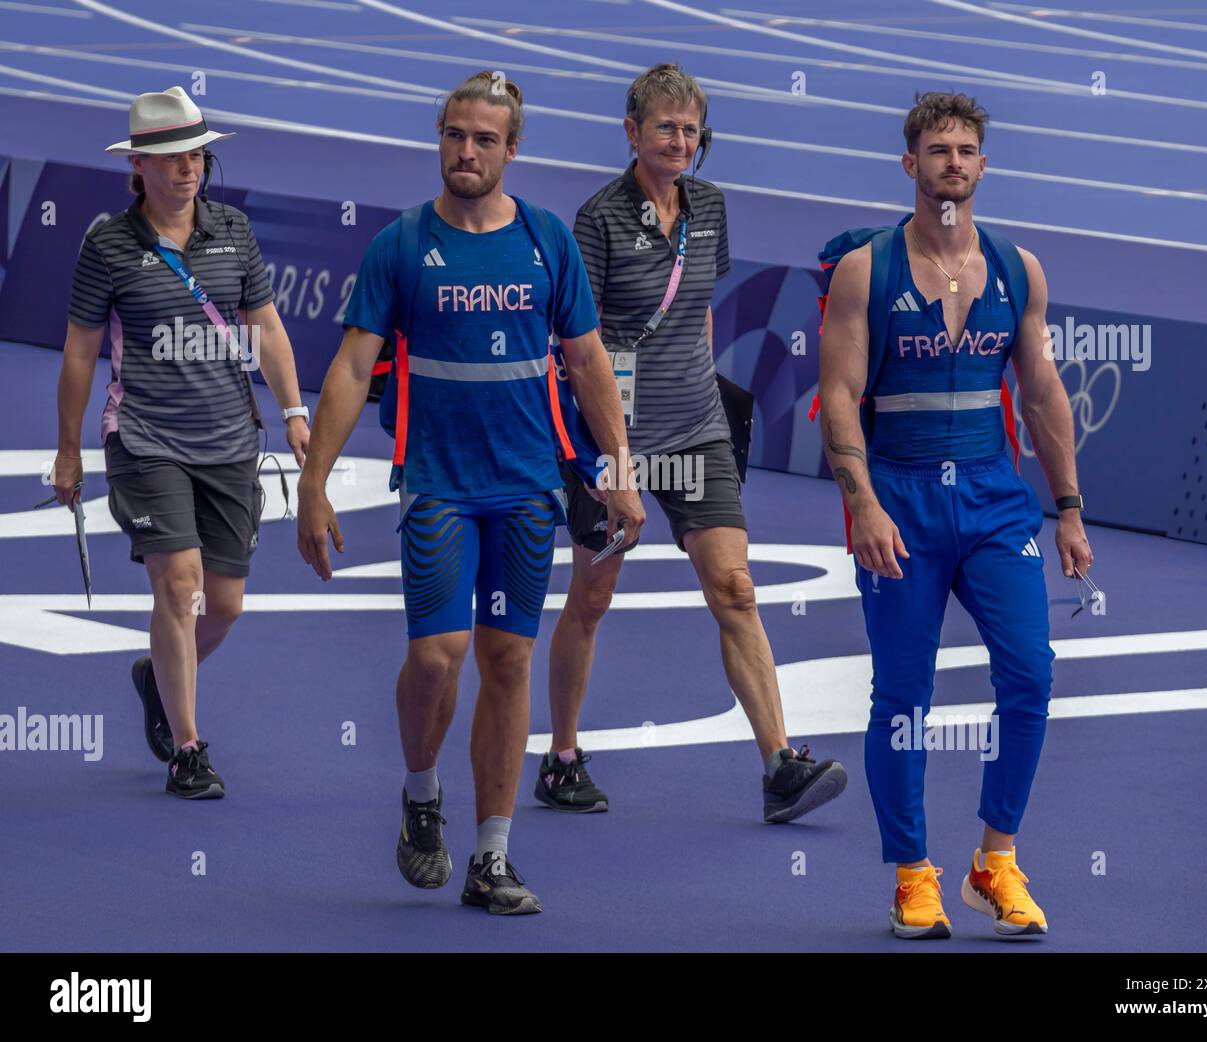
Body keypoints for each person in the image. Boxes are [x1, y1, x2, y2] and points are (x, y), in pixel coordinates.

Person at [296, 72, 644, 915]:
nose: (466, 151)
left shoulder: (546, 240)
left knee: (508, 658)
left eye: (485, 139)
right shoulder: (404, 244)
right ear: (439, 138)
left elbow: (590, 360)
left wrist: (621, 464)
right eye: (455, 135)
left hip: (527, 489)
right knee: (434, 658)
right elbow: (350, 368)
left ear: (511, 149)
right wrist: (313, 485)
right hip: (439, 488)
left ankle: (492, 856)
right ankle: (421, 793)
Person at [537, 63, 847, 823]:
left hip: (698, 430)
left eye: (690, 130)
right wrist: (612, 461)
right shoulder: (599, 219)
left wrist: (702, 391)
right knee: (592, 597)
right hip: (617, 443)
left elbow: (699, 309)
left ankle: (780, 764)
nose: (679, 141)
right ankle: (562, 758)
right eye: (665, 127)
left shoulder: (710, 206)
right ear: (632, 132)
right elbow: (580, 343)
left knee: (735, 589)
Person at [817, 92, 1093, 937]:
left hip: (992, 501)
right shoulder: (866, 269)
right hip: (898, 500)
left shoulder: (1018, 269)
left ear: (982, 165)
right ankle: (912, 873)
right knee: (903, 695)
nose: (952, 161)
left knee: (1031, 675)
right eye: (937, 149)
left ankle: (994, 862)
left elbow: (1043, 397)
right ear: (911, 165)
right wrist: (859, 501)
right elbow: (836, 393)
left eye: (966, 149)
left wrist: (1071, 508)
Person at [55, 86, 310, 799]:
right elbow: (80, 353)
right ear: (138, 166)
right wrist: (69, 450)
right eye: (169, 158)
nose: (186, 169)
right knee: (181, 587)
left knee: (223, 605)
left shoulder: (233, 230)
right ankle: (189, 748)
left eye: (195, 155)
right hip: (144, 440)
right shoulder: (108, 244)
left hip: (229, 440)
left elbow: (266, 324)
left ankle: (157, 680)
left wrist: (294, 410)